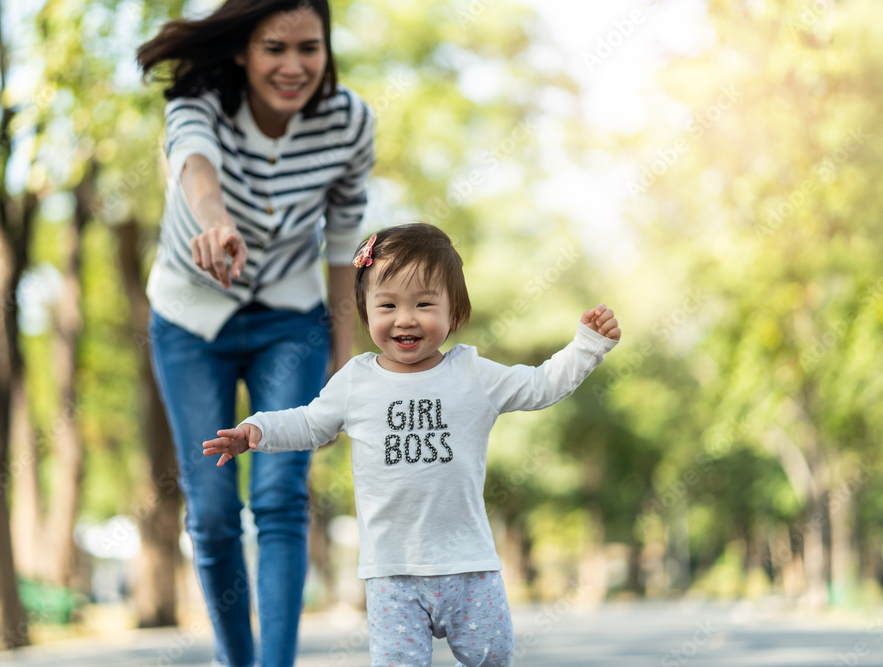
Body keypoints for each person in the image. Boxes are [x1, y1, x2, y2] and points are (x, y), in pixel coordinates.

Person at [202, 223, 621, 666]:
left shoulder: (473, 374)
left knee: (493, 656)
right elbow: (309, 423)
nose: (405, 318)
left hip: (469, 566)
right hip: (391, 574)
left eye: (424, 303)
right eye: (387, 305)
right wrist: (257, 431)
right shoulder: (357, 381)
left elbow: (540, 385)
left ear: (454, 313)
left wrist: (586, 346)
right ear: (366, 311)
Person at [136, 0, 374, 664]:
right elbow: (194, 164)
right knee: (212, 509)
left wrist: (342, 349)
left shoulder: (349, 123)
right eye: (275, 48)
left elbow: (346, 242)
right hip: (190, 320)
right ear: (242, 50)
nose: (294, 66)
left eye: (310, 48)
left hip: (290, 320)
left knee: (279, 494)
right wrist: (214, 219)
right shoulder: (199, 100)